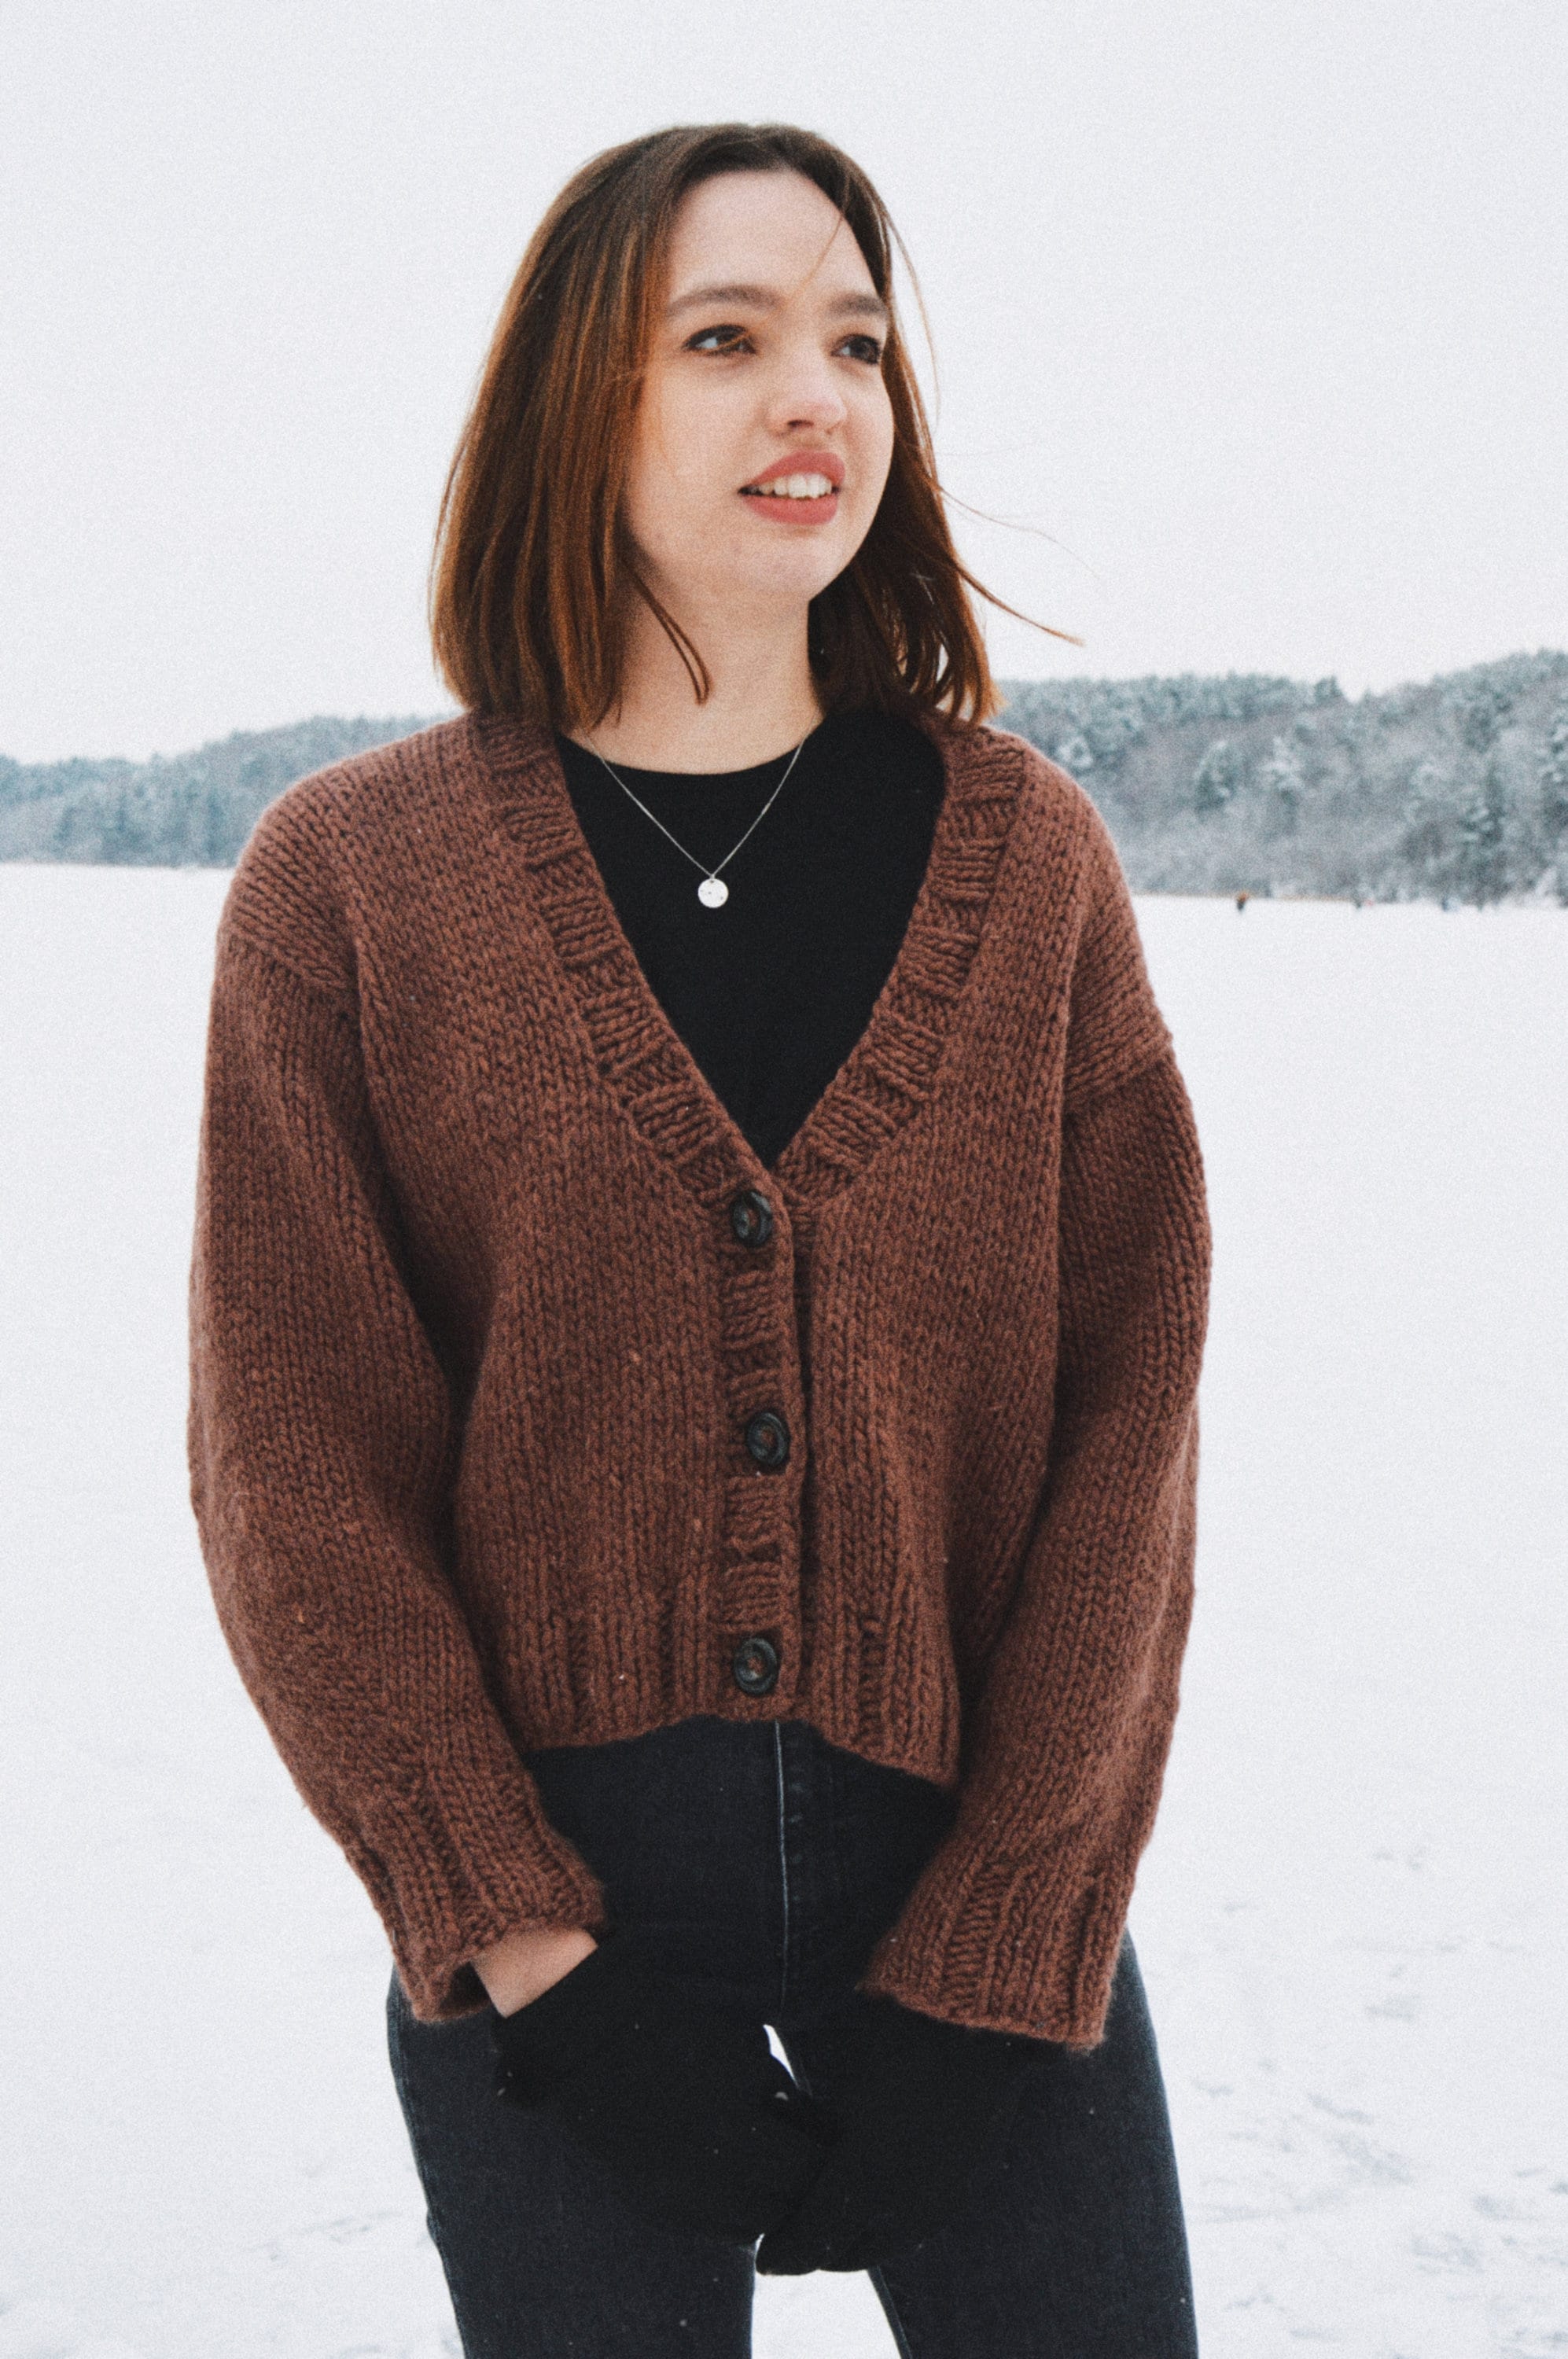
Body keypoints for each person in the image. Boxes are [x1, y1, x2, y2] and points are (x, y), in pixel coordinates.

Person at [186, 120, 1212, 2357]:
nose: (814, 398)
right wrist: (524, 1953)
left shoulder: (1024, 863)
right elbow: (296, 1471)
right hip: (554, 1943)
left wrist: (1003, 1933)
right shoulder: (348, 889)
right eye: (726, 338)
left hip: (982, 1906)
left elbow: (1130, 1410)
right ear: (584, 399)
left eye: (854, 341)